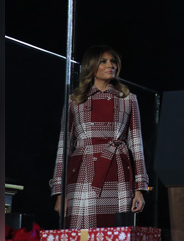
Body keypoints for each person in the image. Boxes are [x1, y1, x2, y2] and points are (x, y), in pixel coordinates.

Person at [50, 45, 149, 229]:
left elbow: (137, 144)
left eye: (113, 61)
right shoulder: (74, 101)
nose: (110, 65)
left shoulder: (128, 99)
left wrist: (140, 188)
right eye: (103, 61)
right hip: (82, 174)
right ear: (91, 66)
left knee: (116, 231)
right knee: (82, 232)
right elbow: (63, 147)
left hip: (118, 171)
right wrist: (59, 192)